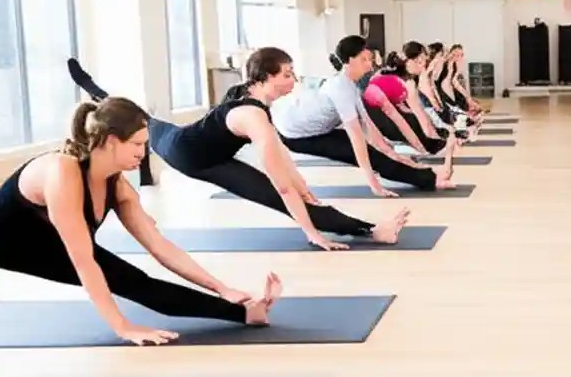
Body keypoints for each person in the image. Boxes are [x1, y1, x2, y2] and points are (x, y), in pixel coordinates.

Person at [0, 98, 282, 345]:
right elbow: (84, 261)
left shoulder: (118, 188)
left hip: (41, 243)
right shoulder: (62, 173)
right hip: (0, 242)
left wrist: (224, 289)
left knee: (134, 281)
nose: (143, 154)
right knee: (113, 276)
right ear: (111, 141)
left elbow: (159, 246)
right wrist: (123, 327)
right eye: (137, 144)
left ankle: (247, 314)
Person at [66, 53, 407, 251]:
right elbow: (283, 187)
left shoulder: (255, 103)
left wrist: (305, 188)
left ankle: (369, 229)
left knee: (304, 198)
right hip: (181, 150)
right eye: (287, 75)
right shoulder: (253, 116)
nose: (294, 80)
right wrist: (312, 234)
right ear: (264, 78)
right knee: (135, 115)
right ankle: (92, 88)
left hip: (212, 158)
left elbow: (286, 165)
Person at [272, 35, 457, 194]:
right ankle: (430, 179)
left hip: (309, 126)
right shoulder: (342, 89)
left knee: (380, 153)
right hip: (296, 135)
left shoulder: (350, 86)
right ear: (350, 60)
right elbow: (358, 141)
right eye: (364, 60)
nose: (370, 66)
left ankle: (428, 176)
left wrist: (394, 153)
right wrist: (374, 184)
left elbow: (369, 127)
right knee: (369, 155)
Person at [364, 43, 452, 155]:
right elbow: (419, 114)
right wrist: (431, 140)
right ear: (417, 60)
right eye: (424, 62)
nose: (424, 67)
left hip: (372, 123)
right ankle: (421, 144)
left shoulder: (388, 73)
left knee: (413, 116)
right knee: (415, 119)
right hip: (381, 124)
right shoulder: (407, 82)